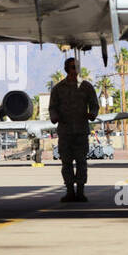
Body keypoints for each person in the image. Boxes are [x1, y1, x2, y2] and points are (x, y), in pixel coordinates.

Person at [47, 57, 99, 201]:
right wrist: (54, 116)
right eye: (71, 67)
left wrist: (93, 114)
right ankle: (70, 191)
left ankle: (81, 192)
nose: (74, 70)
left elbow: (94, 104)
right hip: (65, 131)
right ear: (66, 69)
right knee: (66, 163)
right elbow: (52, 107)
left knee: (82, 162)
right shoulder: (58, 88)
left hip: (81, 131)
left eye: (76, 67)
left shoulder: (86, 86)